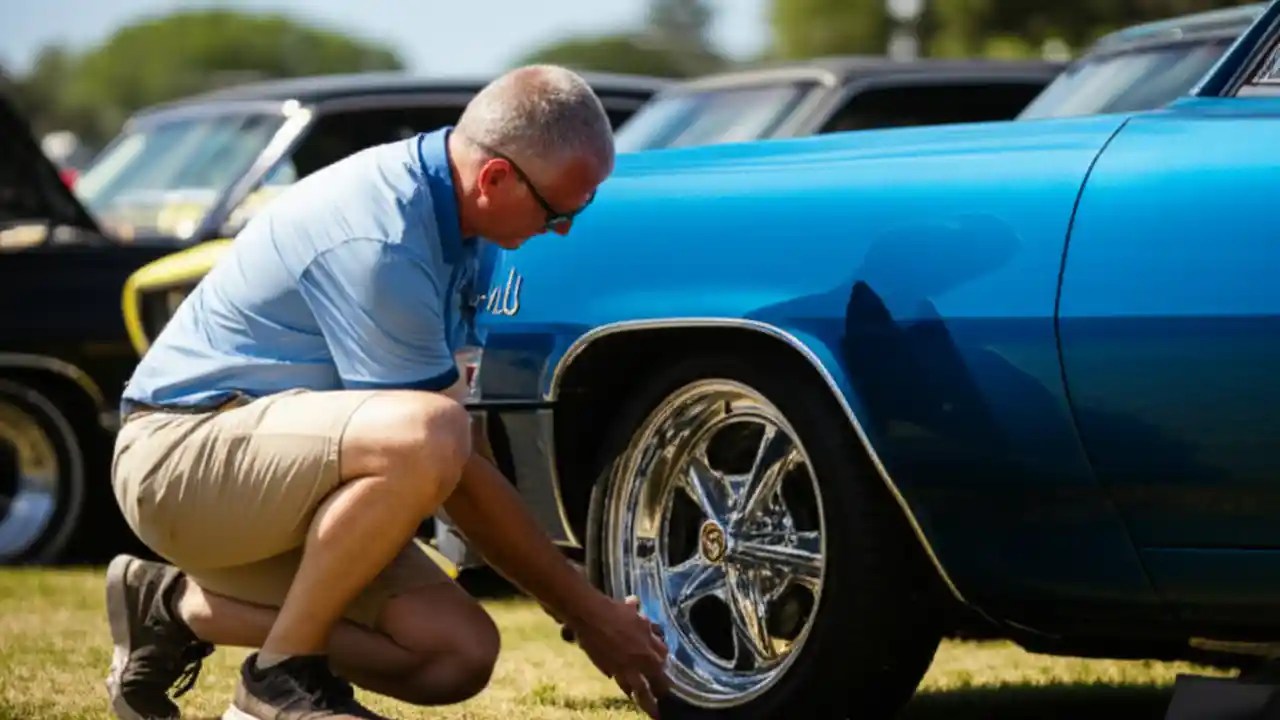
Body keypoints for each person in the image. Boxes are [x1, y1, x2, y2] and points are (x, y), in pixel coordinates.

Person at [104, 64, 670, 720]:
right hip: (177, 458)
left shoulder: (464, 224)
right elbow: (445, 453)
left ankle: (171, 607)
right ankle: (280, 680)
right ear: (494, 178)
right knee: (429, 433)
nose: (563, 228)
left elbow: (463, 446)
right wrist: (585, 611)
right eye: (557, 212)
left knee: (456, 654)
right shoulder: (383, 236)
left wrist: (573, 594)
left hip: (272, 482)